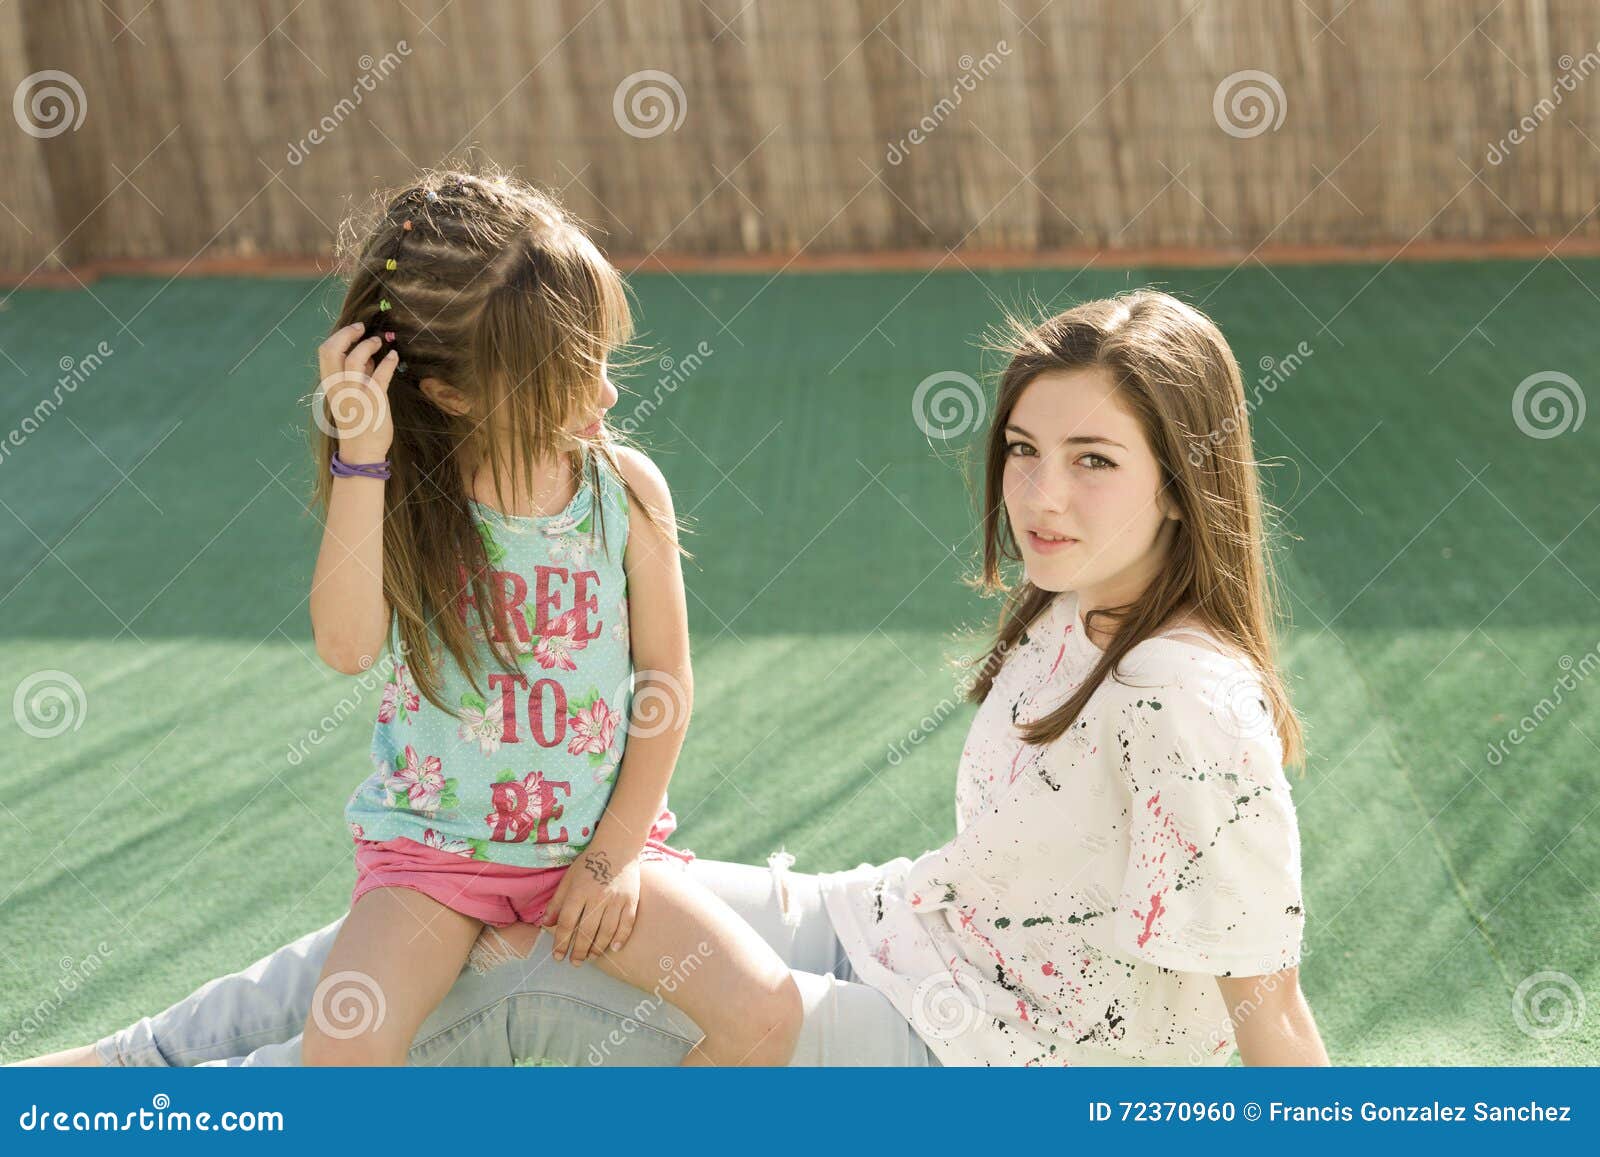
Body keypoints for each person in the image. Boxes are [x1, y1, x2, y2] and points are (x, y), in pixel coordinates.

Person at [23, 288, 1327, 1067]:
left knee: (528, 975)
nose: (1041, 494)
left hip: (996, 1056)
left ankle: (139, 1112)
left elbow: (1266, 1000)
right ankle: (104, 1070)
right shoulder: (1075, 609)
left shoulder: (1182, 694)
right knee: (459, 907)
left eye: (1095, 459)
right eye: (1027, 448)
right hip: (912, 926)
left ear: (1184, 474)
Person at [278, 166, 798, 1066]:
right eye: (570, 374)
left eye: (598, 357)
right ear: (452, 394)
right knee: (340, 1053)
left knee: (766, 1014)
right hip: (432, 865)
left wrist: (612, 858)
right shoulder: (403, 492)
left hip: (589, 853)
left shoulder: (626, 490)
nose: (605, 394)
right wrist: (362, 456)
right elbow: (347, 643)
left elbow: (663, 685)